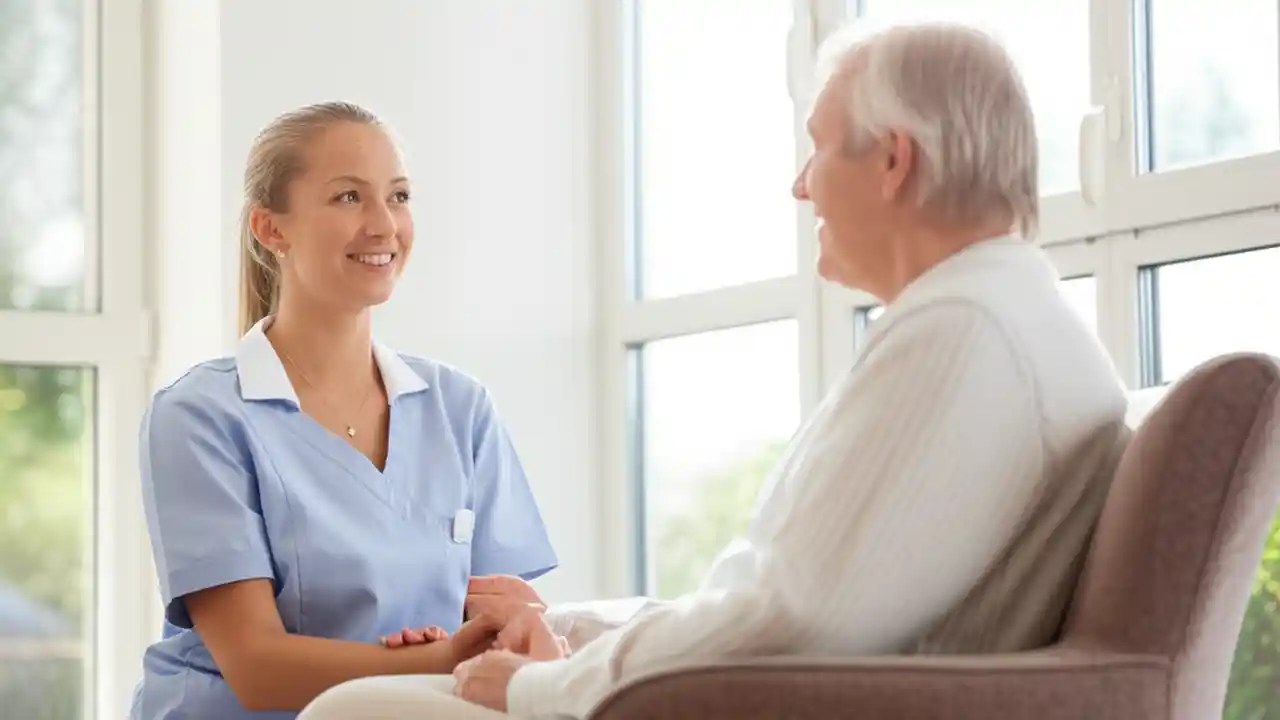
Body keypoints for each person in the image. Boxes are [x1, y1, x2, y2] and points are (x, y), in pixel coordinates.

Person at [301, 21, 1129, 720]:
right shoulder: (1005, 321)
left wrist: (542, 686)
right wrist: (576, 630)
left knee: (350, 708)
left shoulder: (963, 332)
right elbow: (781, 607)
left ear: (892, 162)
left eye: (817, 150)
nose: (801, 187)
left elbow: (784, 620)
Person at [131, 102, 558, 720]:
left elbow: (500, 615)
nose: (385, 224)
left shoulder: (459, 409)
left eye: (400, 196)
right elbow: (258, 669)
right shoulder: (200, 417)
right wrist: (435, 661)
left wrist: (519, 623)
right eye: (349, 198)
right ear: (271, 230)